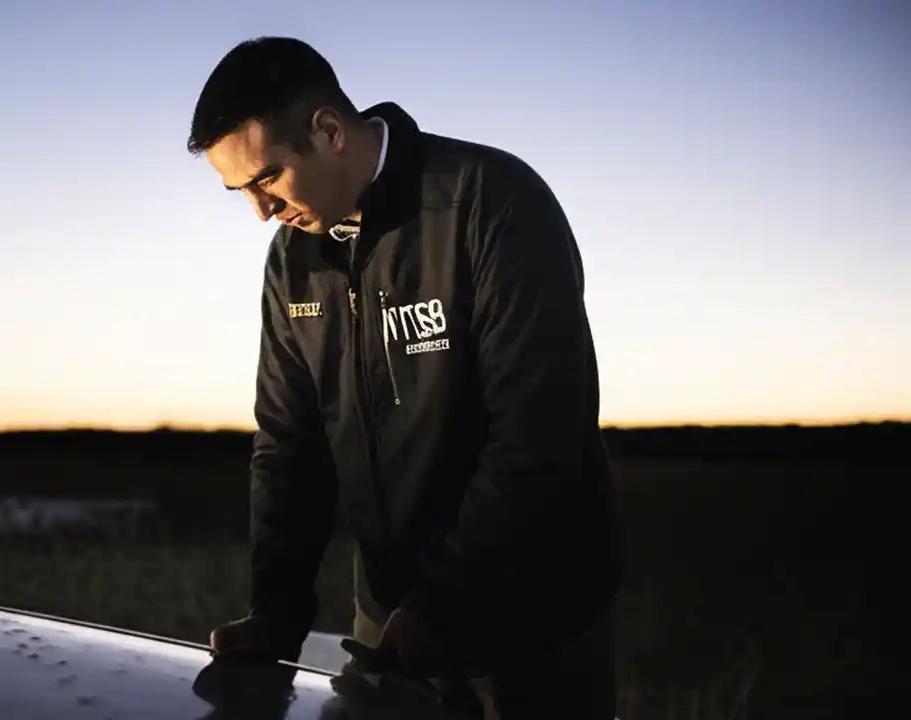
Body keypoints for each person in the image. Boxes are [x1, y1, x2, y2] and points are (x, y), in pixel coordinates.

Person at [188, 36, 622, 719]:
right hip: (391, 623)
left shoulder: (491, 202)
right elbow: (288, 446)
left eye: (266, 179)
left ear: (329, 132)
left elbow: (539, 435)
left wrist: (441, 610)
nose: (260, 212)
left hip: (536, 619)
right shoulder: (292, 260)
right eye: (240, 191)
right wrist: (277, 612)